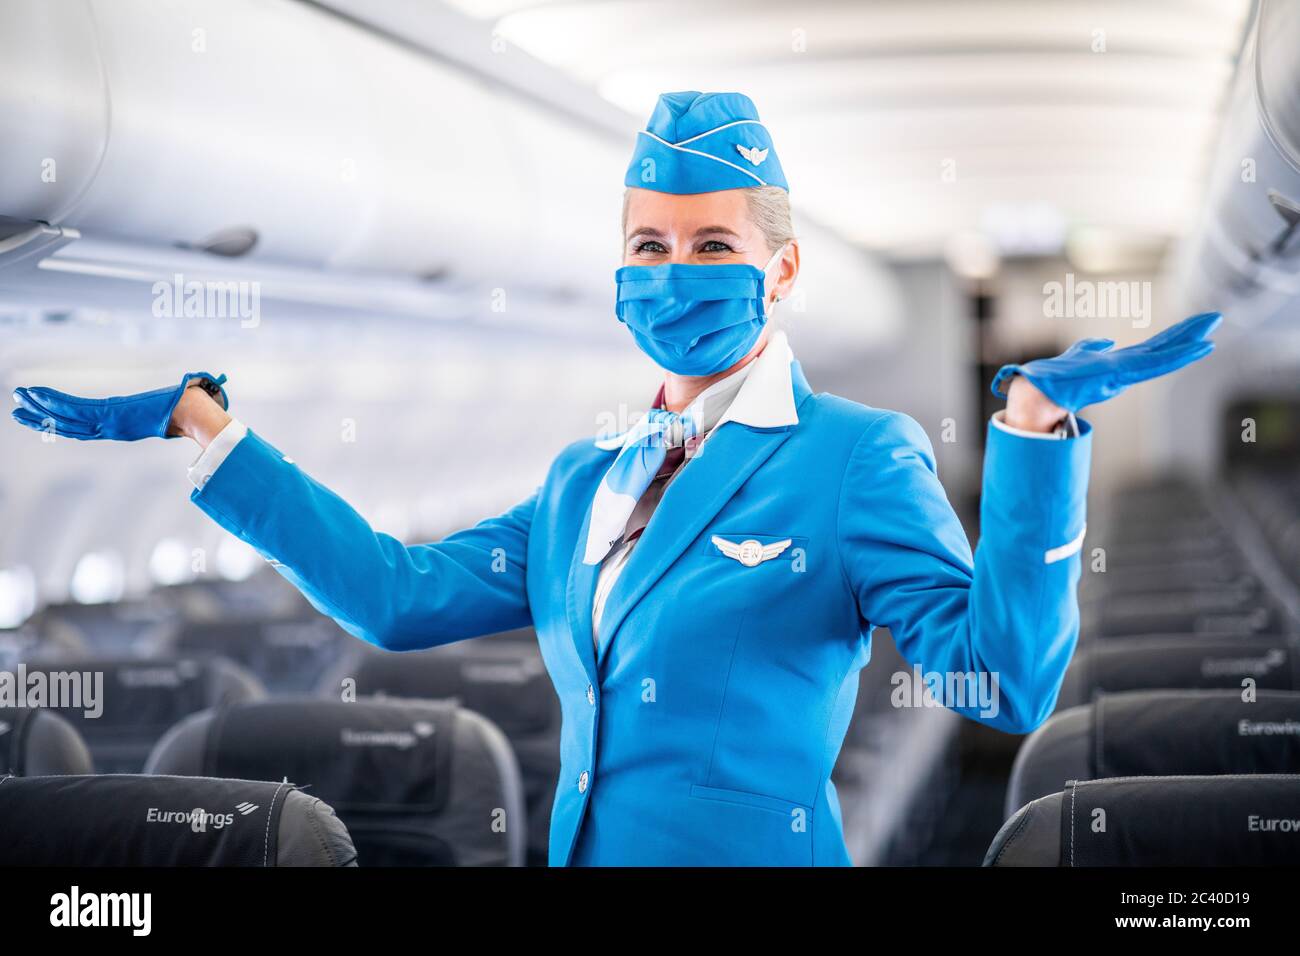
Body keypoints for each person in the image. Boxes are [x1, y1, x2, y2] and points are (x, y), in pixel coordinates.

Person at [11, 91, 1219, 866]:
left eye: (710, 246)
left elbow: (1002, 680)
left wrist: (1030, 433)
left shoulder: (858, 456)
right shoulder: (586, 471)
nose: (674, 271)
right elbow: (395, 594)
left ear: (781, 266)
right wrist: (207, 427)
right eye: (649, 245)